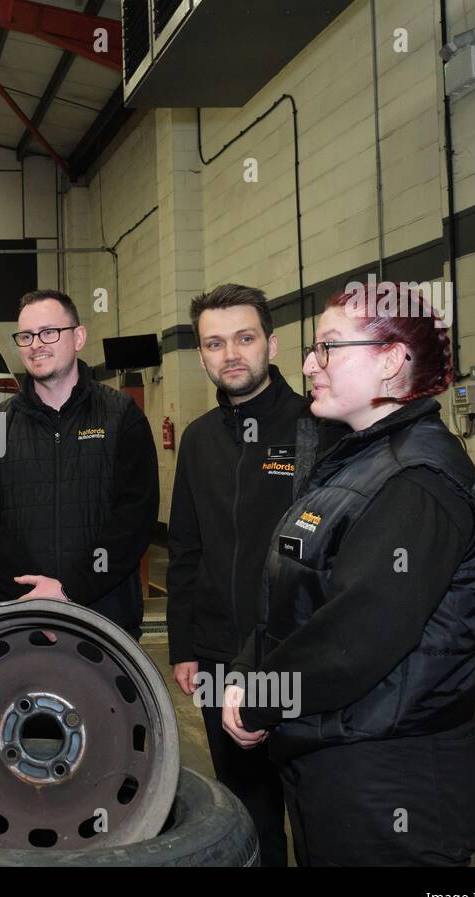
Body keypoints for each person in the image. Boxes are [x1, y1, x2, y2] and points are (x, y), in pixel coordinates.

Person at [223, 282, 475, 866]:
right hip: (336, 758)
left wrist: (261, 698)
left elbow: (355, 638)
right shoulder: (357, 460)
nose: (307, 365)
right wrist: (250, 671)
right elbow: (297, 597)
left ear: (393, 361)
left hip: (391, 781)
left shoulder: (417, 481)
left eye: (327, 348)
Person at [165, 283, 334, 867]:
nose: (230, 353)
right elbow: (184, 549)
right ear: (203, 355)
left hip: (300, 653)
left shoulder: (319, 429)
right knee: (245, 816)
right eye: (215, 343)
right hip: (217, 656)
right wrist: (184, 646)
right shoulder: (198, 440)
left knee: (318, 815)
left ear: (272, 344)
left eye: (244, 337)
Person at [0, 289, 159, 637]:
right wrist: (33, 594)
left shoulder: (122, 416)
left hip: (104, 618)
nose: (36, 344)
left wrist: (70, 591)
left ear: (78, 337)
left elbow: (134, 518)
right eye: (26, 336)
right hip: (18, 618)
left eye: (50, 332)